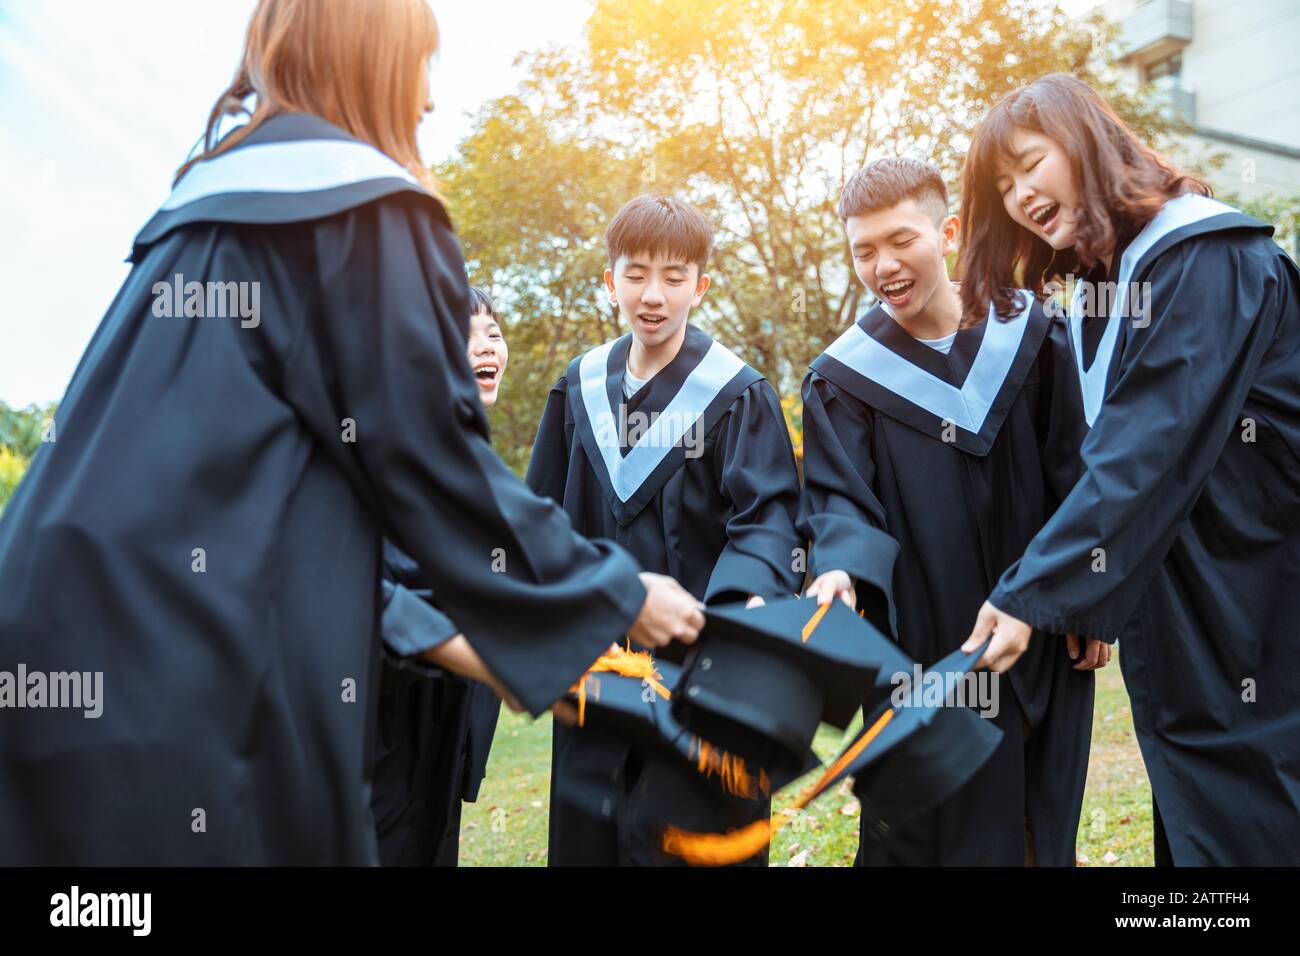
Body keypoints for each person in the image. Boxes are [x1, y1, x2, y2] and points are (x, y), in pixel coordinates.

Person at [0, 0, 704, 866]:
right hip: (200, 668)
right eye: (420, 69)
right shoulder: (363, 212)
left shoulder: (193, 223)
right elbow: (432, 468)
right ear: (371, 64)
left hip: (51, 632)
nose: (429, 104)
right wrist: (615, 593)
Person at [957, 73, 1300, 865]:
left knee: (1249, 803)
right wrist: (1094, 601)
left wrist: (1035, 592)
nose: (1018, 197)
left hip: (1262, 590)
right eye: (1001, 187)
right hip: (1198, 598)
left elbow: (1147, 447)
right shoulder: (1109, 290)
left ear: (1084, 141)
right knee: (1201, 801)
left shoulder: (1206, 254)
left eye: (1030, 163)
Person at [800, 157, 1096, 865]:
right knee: (927, 840)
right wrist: (839, 570)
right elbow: (840, 500)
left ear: (950, 231)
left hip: (1041, 632)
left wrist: (1088, 600)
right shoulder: (845, 377)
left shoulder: (1032, 334)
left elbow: (1078, 475)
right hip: (924, 650)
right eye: (863, 251)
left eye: (902, 240)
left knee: (1041, 825)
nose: (883, 265)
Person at [526, 194, 804, 866]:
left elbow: (766, 523)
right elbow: (541, 515)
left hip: (702, 674)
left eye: (675, 277)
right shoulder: (580, 389)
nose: (653, 295)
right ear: (609, 280)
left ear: (700, 287)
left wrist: (740, 613)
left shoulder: (736, 393)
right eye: (636, 273)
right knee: (594, 838)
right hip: (599, 669)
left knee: (690, 844)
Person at [371, 286, 510, 866]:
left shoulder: (470, 458)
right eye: (463, 336)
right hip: (380, 724)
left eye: (494, 335)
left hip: (442, 722)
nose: (485, 348)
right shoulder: (389, 447)